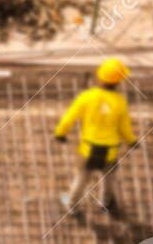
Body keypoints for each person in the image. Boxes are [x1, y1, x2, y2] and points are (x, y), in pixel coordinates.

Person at [54, 58, 136, 215]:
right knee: (108, 176)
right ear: (119, 82)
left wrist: (60, 133)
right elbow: (124, 127)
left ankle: (72, 205)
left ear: (99, 77)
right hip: (110, 149)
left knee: (82, 177)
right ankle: (105, 203)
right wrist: (132, 141)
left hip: (89, 148)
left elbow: (69, 117)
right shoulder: (120, 101)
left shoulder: (87, 97)